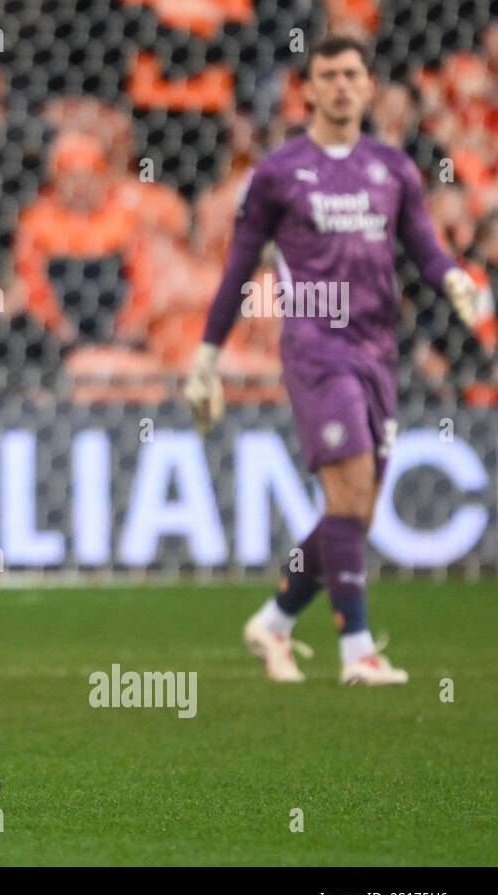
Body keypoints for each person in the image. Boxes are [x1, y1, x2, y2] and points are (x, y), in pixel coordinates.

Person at [183, 36, 480, 686]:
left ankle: (276, 620)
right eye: (329, 76)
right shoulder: (280, 172)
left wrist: (453, 279)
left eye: (352, 74)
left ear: (369, 85)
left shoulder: (393, 168)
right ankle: (359, 652)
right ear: (309, 89)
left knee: (359, 510)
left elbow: (424, 248)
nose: (342, 85)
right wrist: (207, 355)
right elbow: (239, 268)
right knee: (347, 493)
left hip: (378, 349)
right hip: (318, 347)